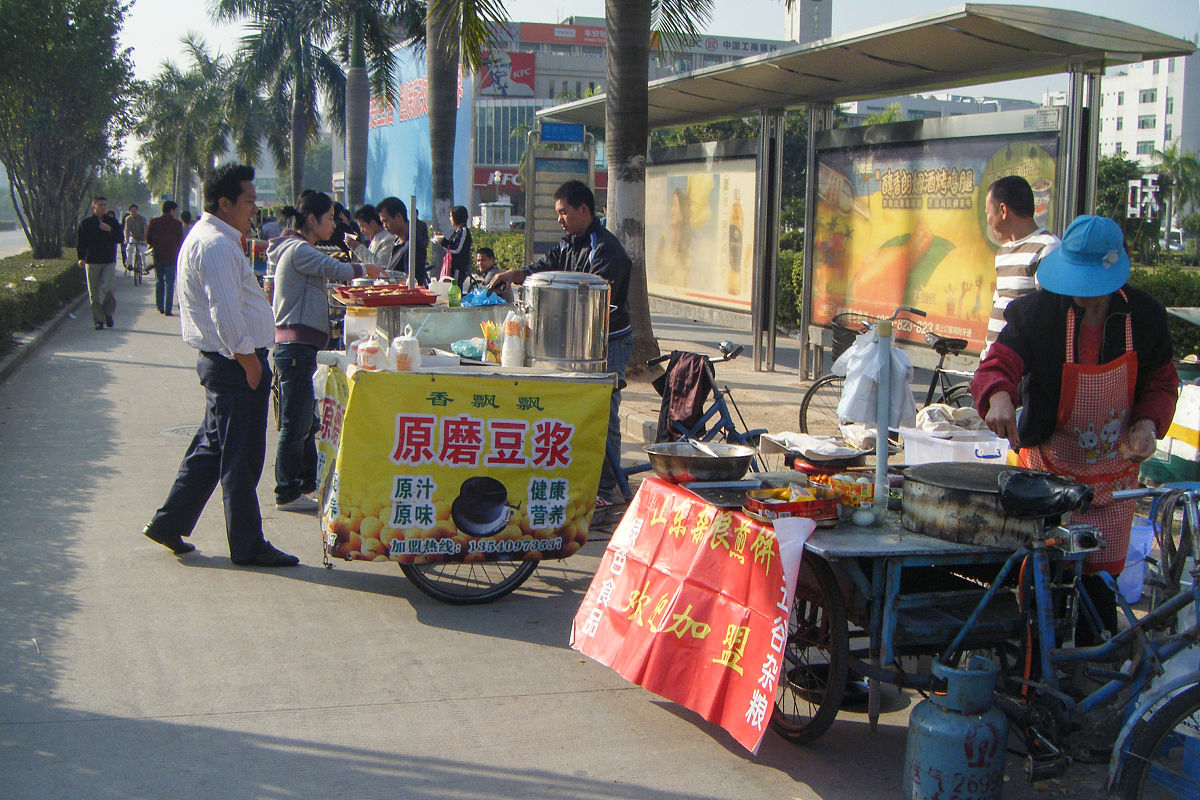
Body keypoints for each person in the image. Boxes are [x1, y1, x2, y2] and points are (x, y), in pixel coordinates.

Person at [971, 215, 1177, 633]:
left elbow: (1161, 381)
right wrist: (998, 395)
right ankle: (1031, 678)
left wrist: (1148, 424)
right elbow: (1000, 361)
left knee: (1098, 594)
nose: (1082, 296)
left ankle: (1089, 674)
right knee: (1039, 587)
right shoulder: (1040, 313)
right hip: (1046, 473)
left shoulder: (1147, 317)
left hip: (1113, 482)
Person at [142, 163, 298, 568]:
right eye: (248, 201)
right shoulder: (215, 245)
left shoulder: (218, 239)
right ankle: (247, 545)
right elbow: (226, 316)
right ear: (224, 203)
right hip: (235, 364)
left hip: (228, 363)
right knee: (240, 459)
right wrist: (251, 366)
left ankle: (168, 522)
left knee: (211, 449)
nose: (255, 208)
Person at [490, 180, 632, 509]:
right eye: (558, 213)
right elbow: (544, 267)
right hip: (574, 345)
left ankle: (605, 488)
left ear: (584, 210)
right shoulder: (569, 244)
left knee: (603, 410)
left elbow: (593, 296)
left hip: (607, 343)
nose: (560, 219)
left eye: (564, 212)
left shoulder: (606, 249)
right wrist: (517, 273)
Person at [269, 191, 382, 513]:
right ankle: (286, 491)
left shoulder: (297, 249)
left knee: (307, 420)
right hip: (294, 347)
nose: (334, 224)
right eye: (330, 218)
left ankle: (304, 482)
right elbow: (332, 268)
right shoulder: (298, 250)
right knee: (295, 422)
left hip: (299, 346)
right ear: (311, 219)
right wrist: (365, 269)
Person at [979, 176, 1061, 360]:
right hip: (994, 364)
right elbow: (998, 306)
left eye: (987, 213)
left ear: (1002, 210)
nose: (988, 221)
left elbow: (1048, 317)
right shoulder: (1003, 253)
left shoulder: (1047, 248)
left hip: (1020, 369)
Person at [76, 196, 124, 330]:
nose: (103, 207)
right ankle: (98, 319)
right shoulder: (86, 223)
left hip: (108, 260)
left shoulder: (112, 221)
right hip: (92, 261)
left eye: (105, 205)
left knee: (109, 289)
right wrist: (81, 258)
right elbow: (81, 243)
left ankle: (108, 312)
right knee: (94, 292)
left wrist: (110, 230)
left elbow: (120, 238)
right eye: (101, 205)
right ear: (94, 207)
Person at [145, 200, 184, 316]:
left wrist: (155, 245)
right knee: (170, 282)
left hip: (157, 255)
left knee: (159, 281)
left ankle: (160, 306)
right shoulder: (177, 224)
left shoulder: (154, 222)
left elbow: (148, 238)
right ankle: (168, 309)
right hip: (171, 257)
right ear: (171, 210)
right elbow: (180, 240)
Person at [378, 196, 429, 284]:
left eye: (386, 221)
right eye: (382, 222)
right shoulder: (398, 241)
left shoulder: (413, 245)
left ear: (398, 217)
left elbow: (414, 282)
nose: (384, 226)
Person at [432, 205, 472, 287]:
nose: (450, 219)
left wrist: (443, 242)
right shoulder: (457, 231)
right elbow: (450, 246)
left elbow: (457, 249)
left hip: (458, 267)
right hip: (451, 266)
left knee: (455, 288)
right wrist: (442, 240)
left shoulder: (463, 231)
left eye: (451, 216)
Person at [123, 204, 149, 275]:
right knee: (129, 249)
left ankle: (145, 268)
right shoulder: (128, 219)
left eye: (135, 210)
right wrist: (126, 239)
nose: (134, 212)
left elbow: (145, 228)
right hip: (133, 238)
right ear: (129, 211)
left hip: (142, 238)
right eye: (132, 210)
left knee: (142, 253)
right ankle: (130, 265)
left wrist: (146, 239)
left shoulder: (142, 218)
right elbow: (127, 229)